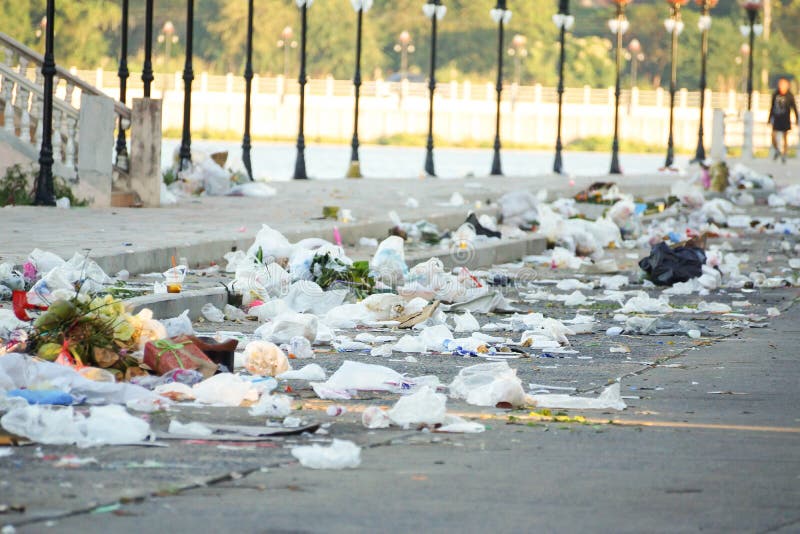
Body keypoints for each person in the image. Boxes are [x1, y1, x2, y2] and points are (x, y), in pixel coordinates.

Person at [768, 77, 798, 164]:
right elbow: (772, 107)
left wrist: (797, 119)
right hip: (777, 119)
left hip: (785, 119)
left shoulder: (790, 96)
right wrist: (769, 118)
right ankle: (777, 150)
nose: (781, 86)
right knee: (773, 136)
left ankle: (784, 154)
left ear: (787, 86)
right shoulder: (775, 94)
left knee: (785, 137)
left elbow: (794, 108)